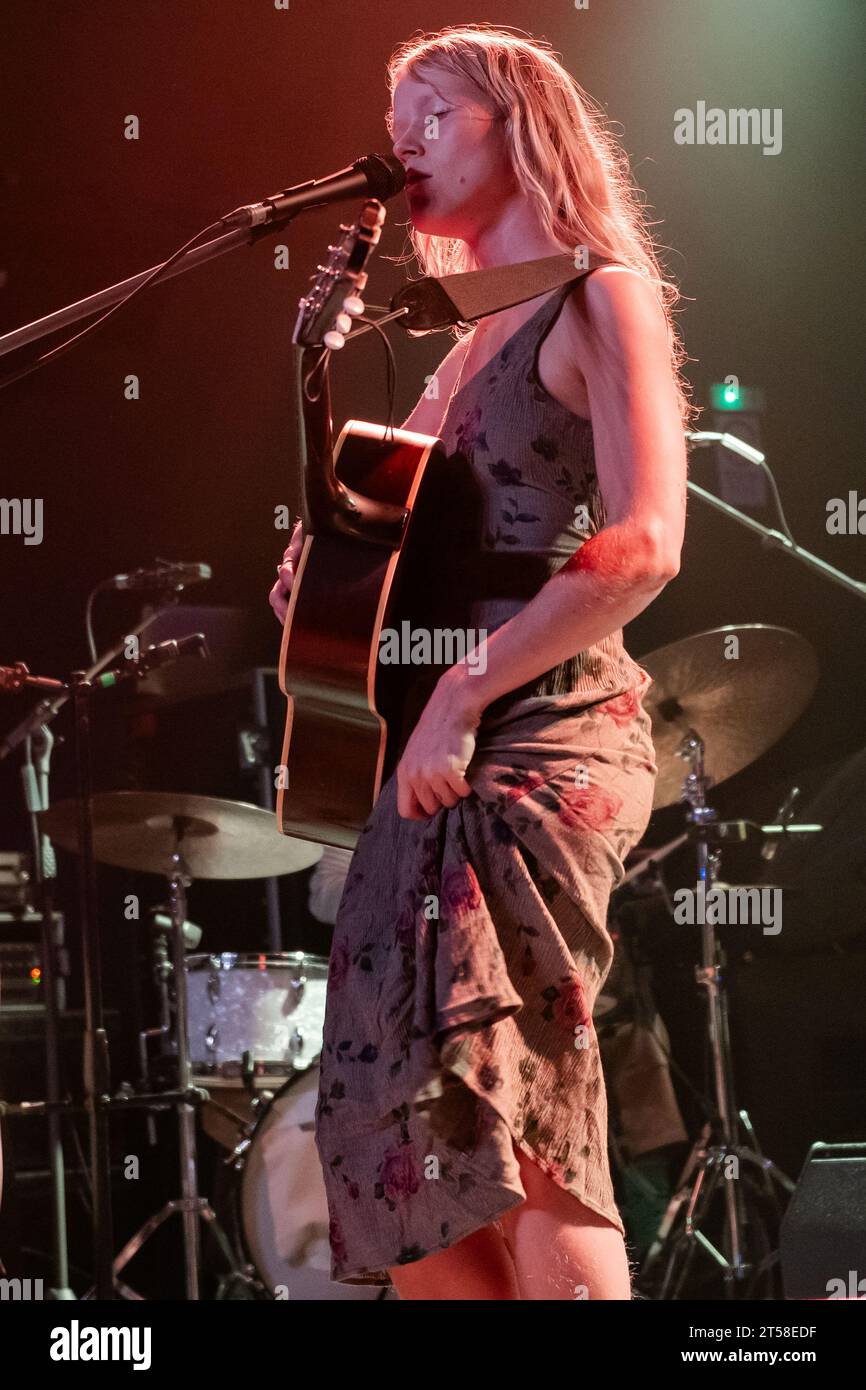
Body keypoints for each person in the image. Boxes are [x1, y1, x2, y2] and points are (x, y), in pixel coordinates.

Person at [270, 23, 690, 1300]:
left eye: (434, 112)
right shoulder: (456, 356)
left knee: (521, 1113)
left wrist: (460, 688)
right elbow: (389, 561)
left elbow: (643, 543)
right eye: (395, 117)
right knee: (416, 1149)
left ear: (521, 125)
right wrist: (317, 588)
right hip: (420, 771)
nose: (402, 139)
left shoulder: (595, 293)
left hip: (532, 743)